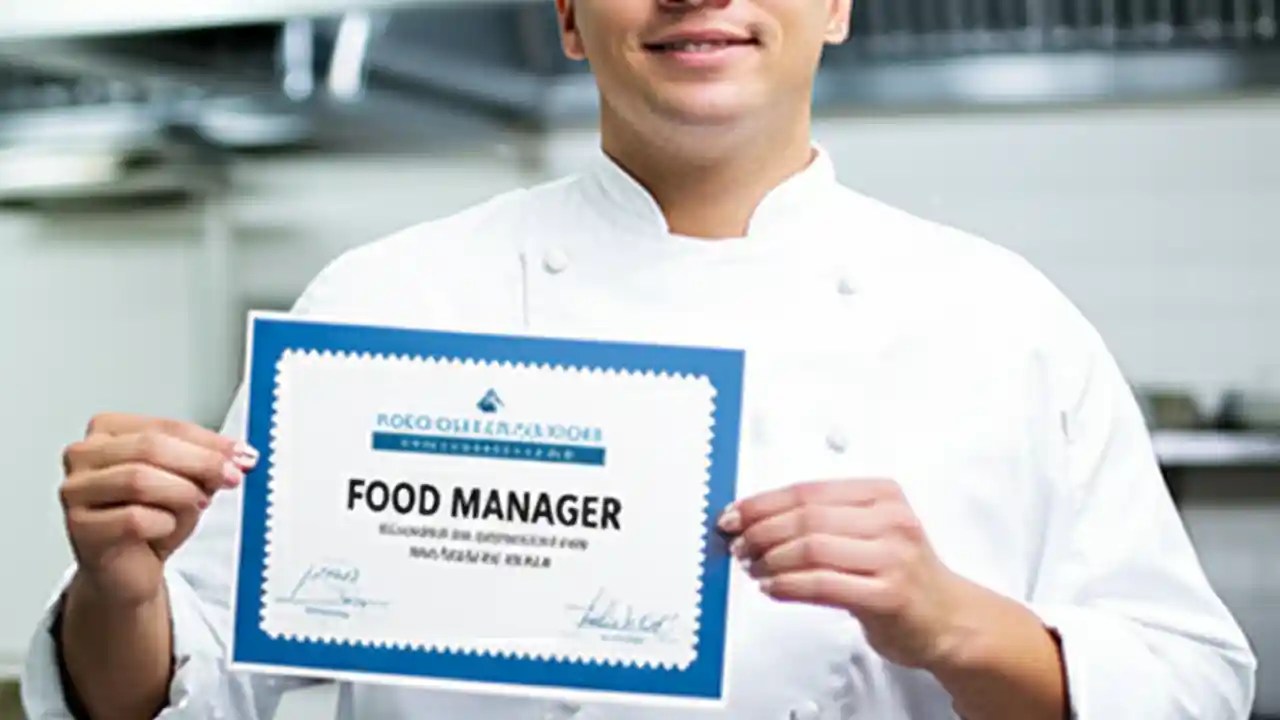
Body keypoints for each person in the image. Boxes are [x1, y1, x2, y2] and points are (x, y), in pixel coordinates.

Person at [23, 0, 1257, 718]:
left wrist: (953, 626)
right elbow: (190, 690)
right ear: (565, 14)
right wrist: (122, 587)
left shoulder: (1002, 320)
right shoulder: (389, 298)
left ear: (835, 1)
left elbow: (1191, 686)